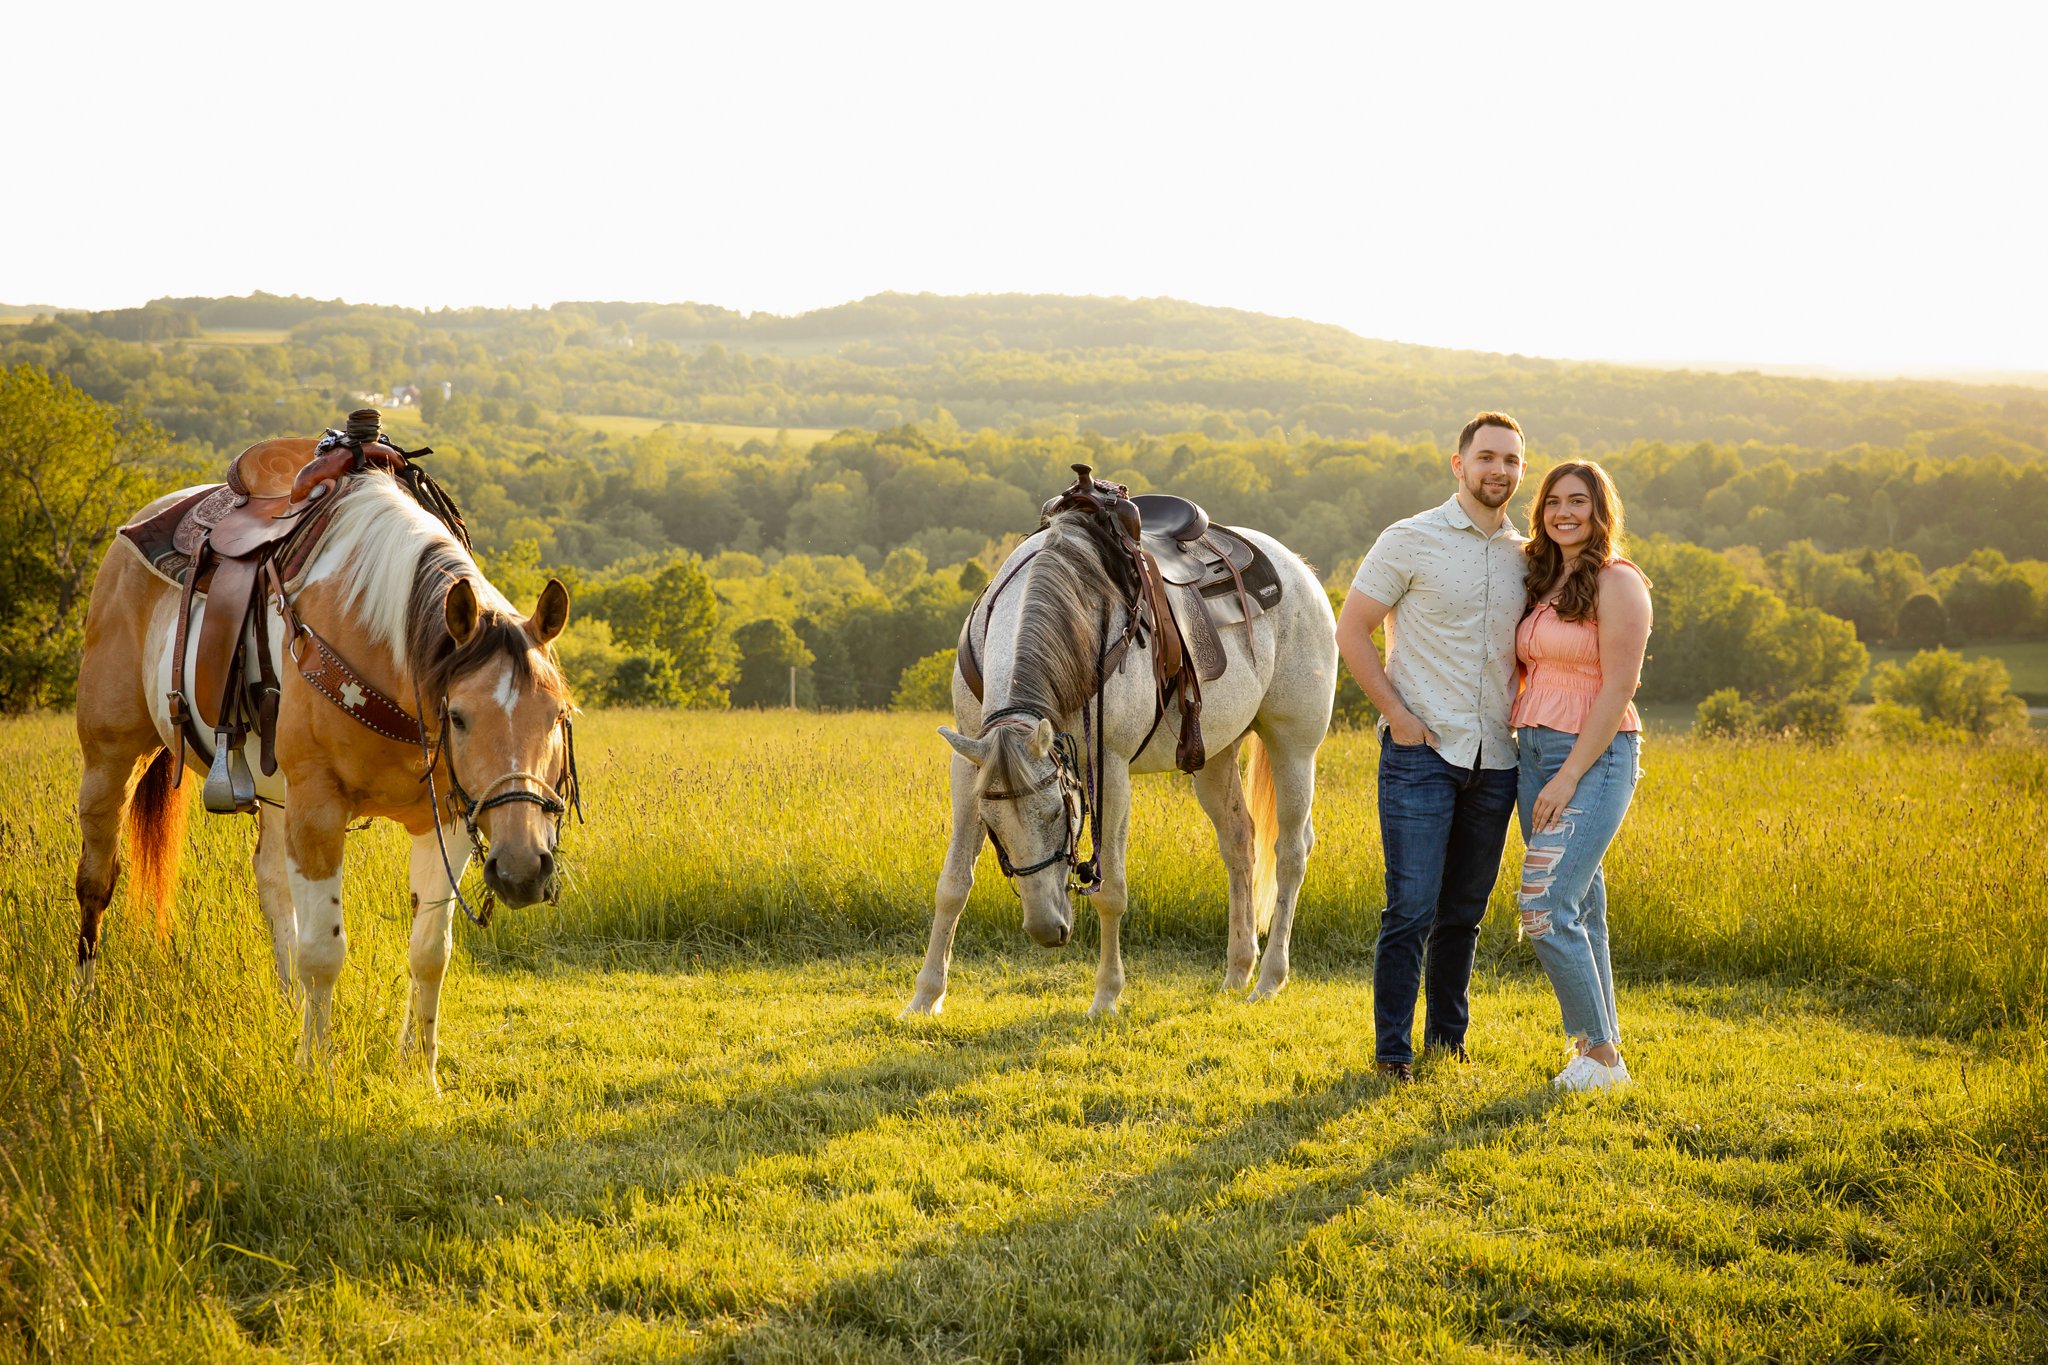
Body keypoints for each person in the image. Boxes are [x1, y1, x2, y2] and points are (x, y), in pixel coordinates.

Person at [1337, 412, 1528, 1081]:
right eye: (1487, 457)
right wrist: (1397, 712)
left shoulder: (1525, 557)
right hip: (1421, 753)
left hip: (1497, 762)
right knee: (1411, 909)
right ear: (1459, 463)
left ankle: (1449, 1042)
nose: (1498, 470)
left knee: (1464, 915)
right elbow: (1352, 629)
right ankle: (1392, 1052)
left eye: (1511, 460)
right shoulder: (1409, 539)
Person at [1511, 459, 1652, 1091]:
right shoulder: (1543, 579)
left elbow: (1619, 684)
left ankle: (1600, 1057)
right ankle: (1600, 1052)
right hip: (1533, 751)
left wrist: (1567, 776)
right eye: (1552, 502)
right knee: (1581, 904)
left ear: (1601, 511)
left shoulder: (1619, 582)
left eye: (1578, 502)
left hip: (1593, 756)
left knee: (1543, 904)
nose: (1563, 512)